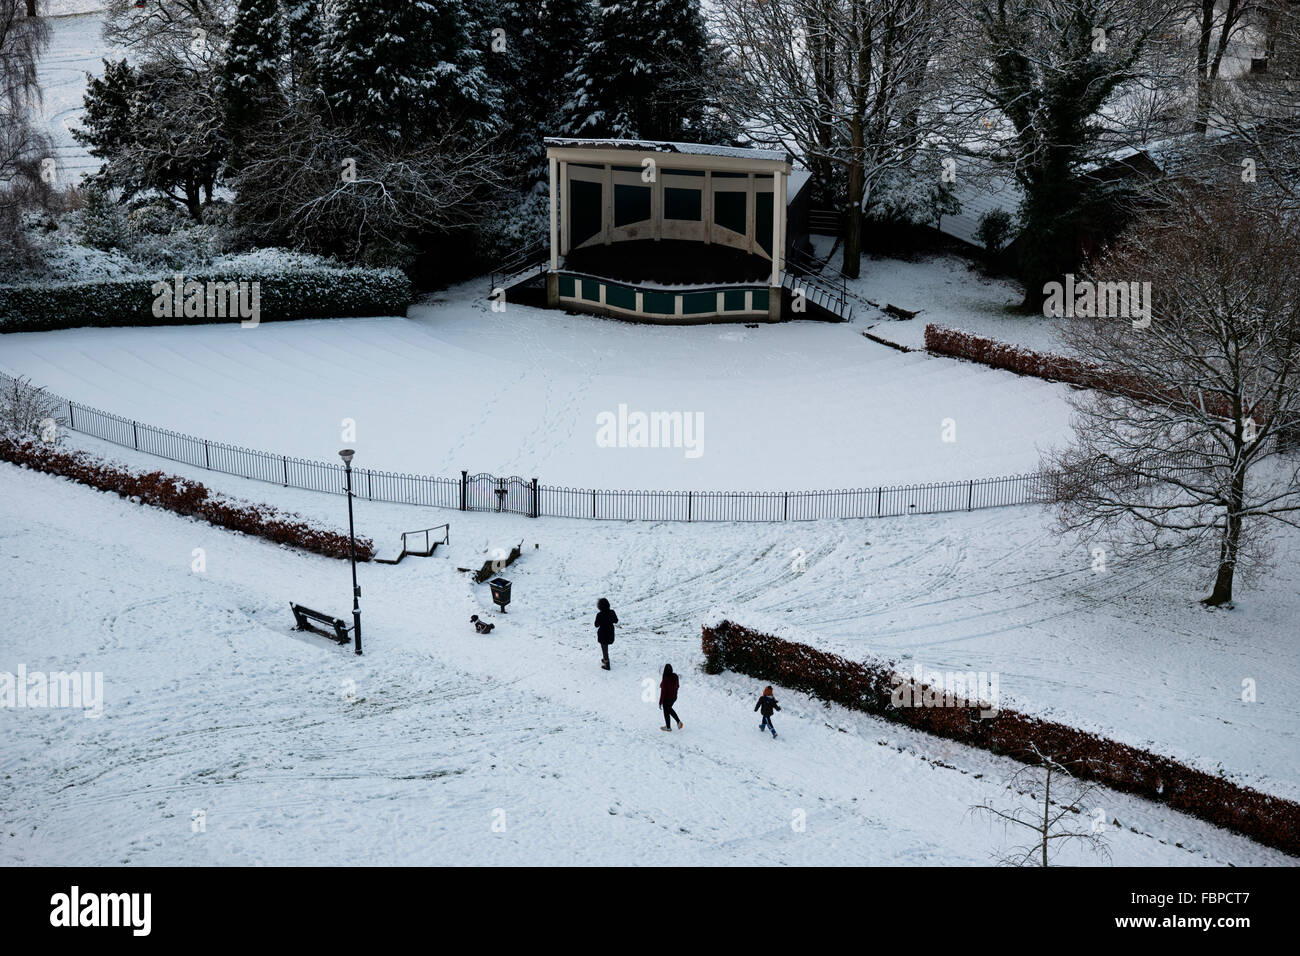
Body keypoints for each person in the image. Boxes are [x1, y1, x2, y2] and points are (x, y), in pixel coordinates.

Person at [595, 598, 618, 669]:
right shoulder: (612, 612)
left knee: (604, 648)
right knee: (605, 647)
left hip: (602, 633)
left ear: (599, 607)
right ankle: (605, 659)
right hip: (610, 632)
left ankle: (607, 663)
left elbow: (596, 625)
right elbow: (616, 621)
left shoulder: (599, 614)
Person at [659, 664, 682, 732]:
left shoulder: (665, 679)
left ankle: (670, 727)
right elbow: (677, 686)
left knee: (666, 711)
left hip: (667, 699)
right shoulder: (675, 676)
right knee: (668, 710)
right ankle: (674, 724)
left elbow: (663, 692)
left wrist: (660, 702)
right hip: (674, 697)